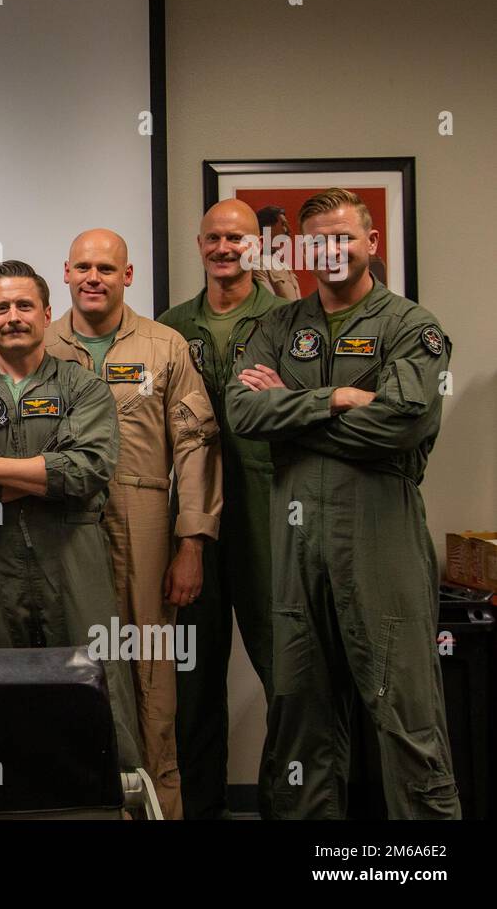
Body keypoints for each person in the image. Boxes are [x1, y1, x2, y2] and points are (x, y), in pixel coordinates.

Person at [226, 188, 459, 819]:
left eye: (343, 237)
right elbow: (244, 410)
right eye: (318, 241)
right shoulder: (276, 325)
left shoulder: (412, 327)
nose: (331, 251)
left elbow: (402, 423)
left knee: (406, 715)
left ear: (371, 243)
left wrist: (294, 409)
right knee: (299, 715)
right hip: (297, 547)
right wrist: (338, 399)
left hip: (380, 540)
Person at [0, 260, 141, 768]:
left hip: (74, 556)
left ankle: (110, 806)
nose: (13, 316)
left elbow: (88, 472)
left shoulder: (83, 388)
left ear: (48, 313)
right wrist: (43, 475)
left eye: (25, 305)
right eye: (0, 307)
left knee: (99, 690)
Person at [44, 229, 222, 820]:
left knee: (150, 669)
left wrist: (191, 543)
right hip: (60, 521)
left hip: (142, 514)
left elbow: (195, 446)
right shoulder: (36, 343)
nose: (94, 278)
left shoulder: (164, 345)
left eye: (107, 268)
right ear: (66, 273)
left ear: (128, 276)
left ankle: (158, 807)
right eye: (84, 267)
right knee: (74, 663)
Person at [158, 200, 287, 818]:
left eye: (236, 237)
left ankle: (286, 808)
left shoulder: (290, 320)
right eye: (213, 237)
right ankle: (198, 810)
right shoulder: (171, 327)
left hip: (272, 517)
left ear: (257, 245)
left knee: (286, 675)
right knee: (192, 681)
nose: (224, 247)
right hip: (192, 526)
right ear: (199, 242)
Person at [253, 204, 302, 299]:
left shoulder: (284, 265)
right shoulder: (257, 265)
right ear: (268, 228)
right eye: (283, 224)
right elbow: (269, 306)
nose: (288, 230)